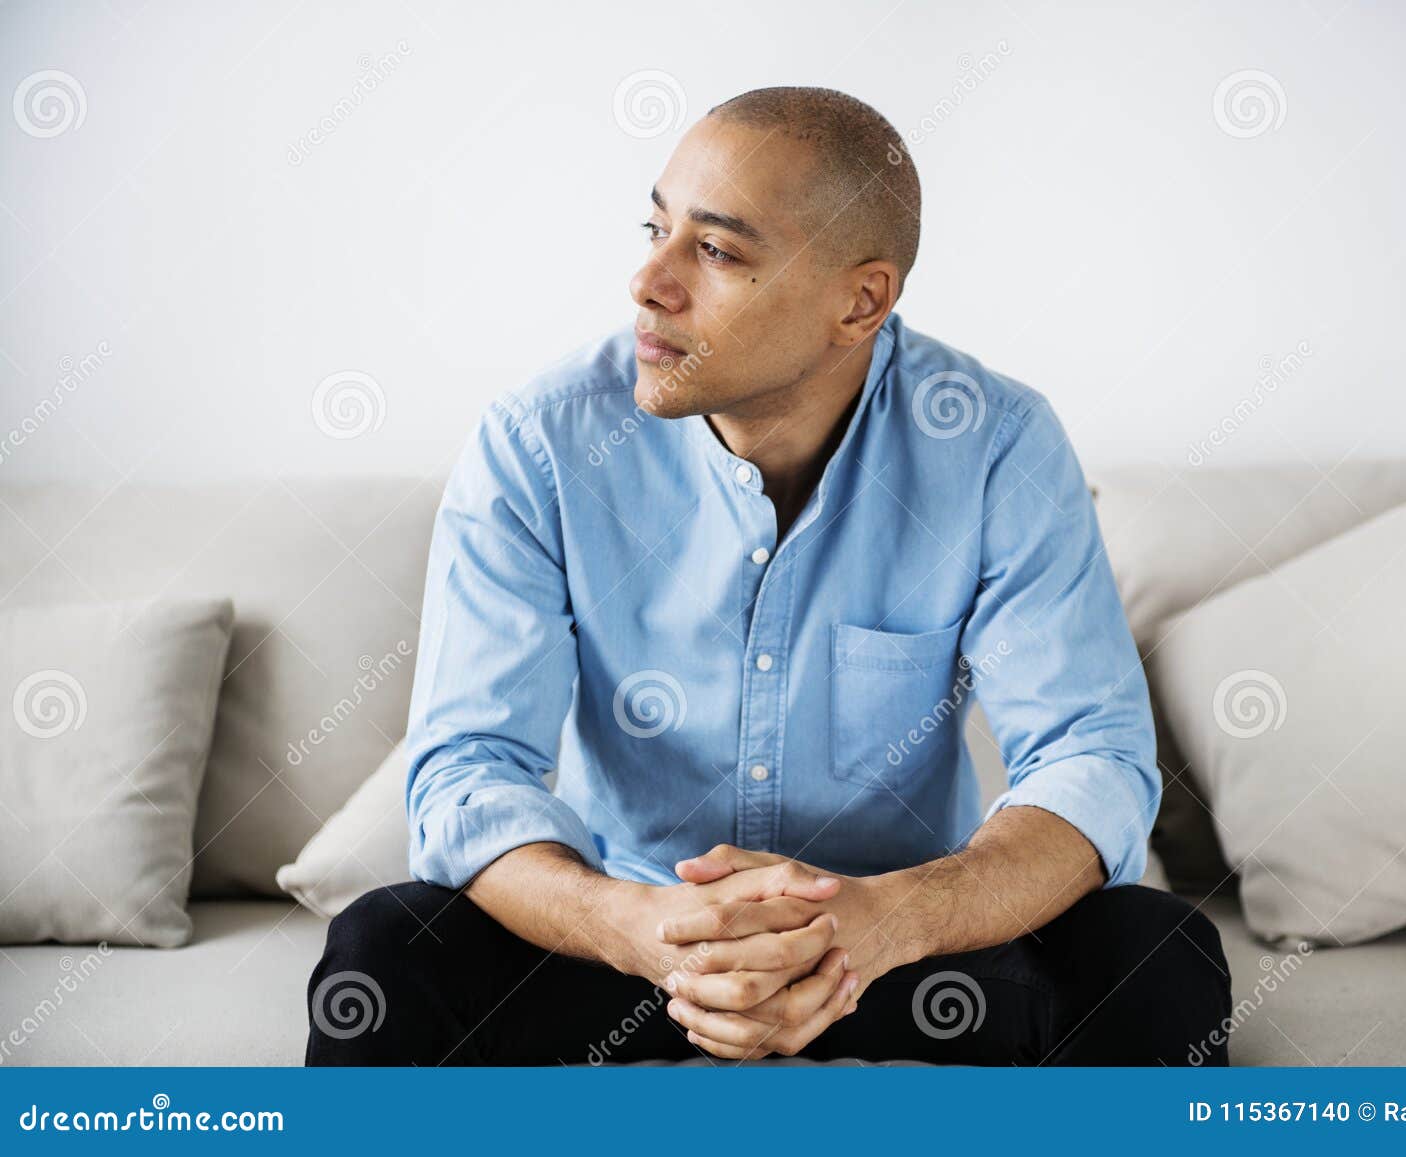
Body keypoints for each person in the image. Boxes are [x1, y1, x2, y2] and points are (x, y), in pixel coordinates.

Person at [307, 86, 1231, 1066]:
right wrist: (639, 925)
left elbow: (1092, 763)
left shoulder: (995, 444)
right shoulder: (539, 442)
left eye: (715, 250)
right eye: (655, 227)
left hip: (893, 955)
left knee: (1156, 952)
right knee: (382, 950)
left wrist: (883, 919)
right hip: (633, 950)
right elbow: (465, 772)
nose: (647, 281)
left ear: (859, 300)